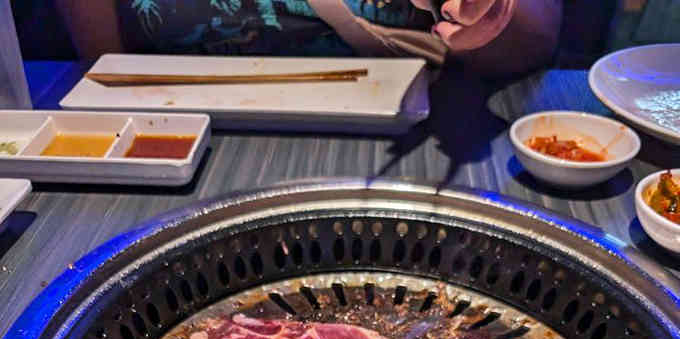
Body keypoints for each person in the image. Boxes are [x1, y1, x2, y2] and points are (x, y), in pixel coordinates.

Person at [55, 0, 562, 75]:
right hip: (176, 135)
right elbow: (108, 71)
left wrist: (487, 13)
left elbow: (535, 39)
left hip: (421, 131)